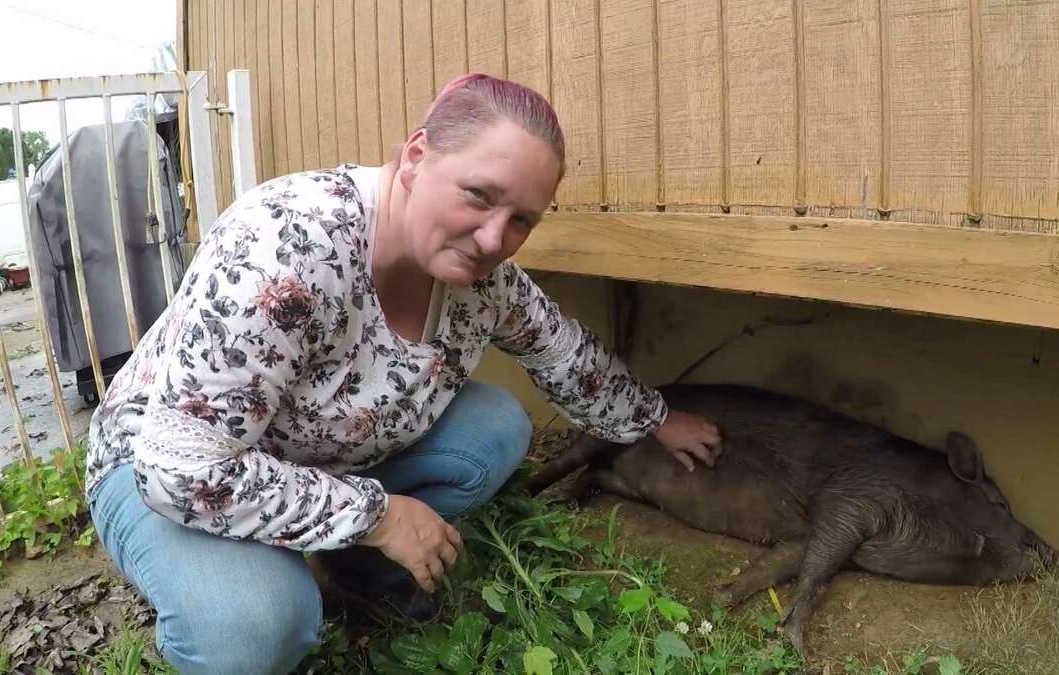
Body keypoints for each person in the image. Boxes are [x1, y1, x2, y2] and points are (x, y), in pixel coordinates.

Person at [85, 73, 722, 674]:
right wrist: (381, 516)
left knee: (495, 426)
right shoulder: (287, 246)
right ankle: (230, 603)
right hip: (163, 467)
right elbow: (181, 468)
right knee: (254, 626)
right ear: (416, 157)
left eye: (523, 219)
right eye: (479, 195)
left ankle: (358, 572)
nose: (495, 238)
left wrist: (658, 420)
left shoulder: (483, 282)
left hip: (314, 458)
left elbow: (564, 355)